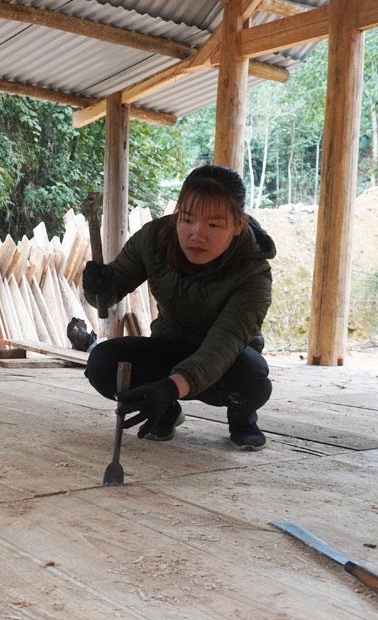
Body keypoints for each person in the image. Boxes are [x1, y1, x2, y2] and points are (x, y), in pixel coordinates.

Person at [81, 164, 275, 450]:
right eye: (187, 219)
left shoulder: (253, 273)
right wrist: (97, 285)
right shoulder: (155, 239)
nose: (197, 234)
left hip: (225, 360)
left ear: (238, 225)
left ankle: (241, 415)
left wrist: (172, 386)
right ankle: (166, 411)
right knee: (102, 364)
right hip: (168, 345)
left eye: (214, 224)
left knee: (252, 379)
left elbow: (225, 343)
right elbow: (110, 291)